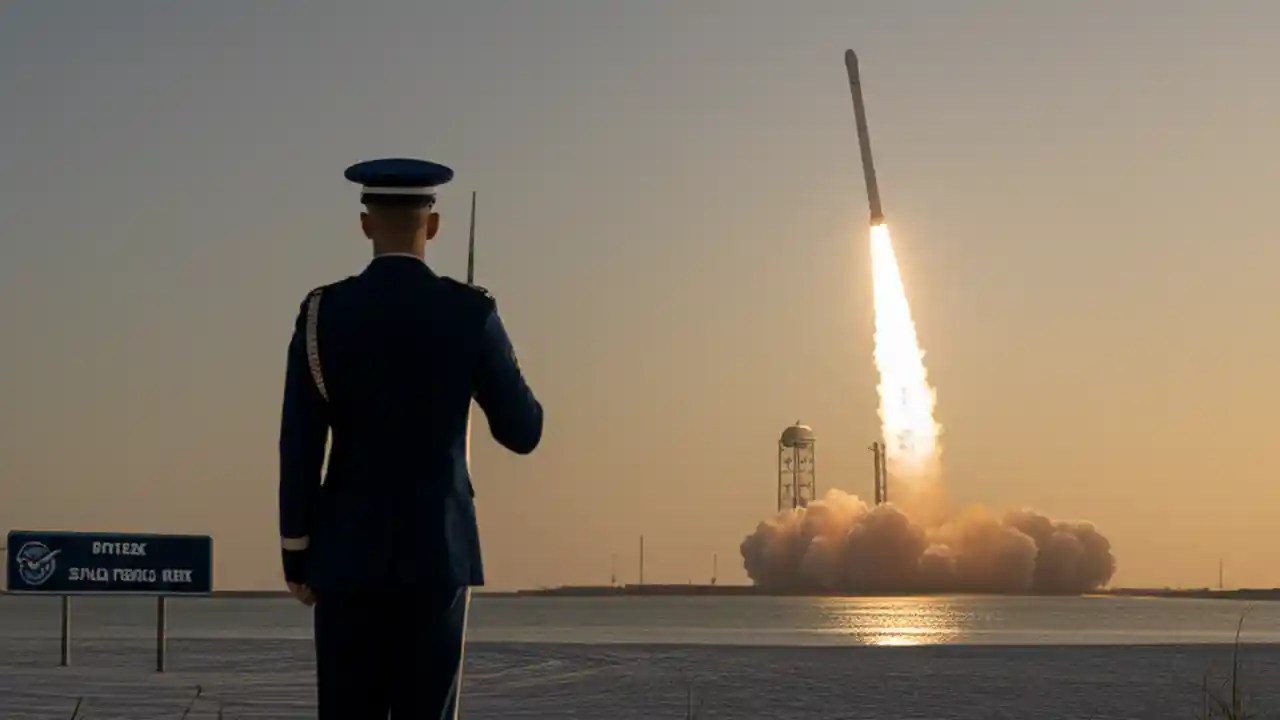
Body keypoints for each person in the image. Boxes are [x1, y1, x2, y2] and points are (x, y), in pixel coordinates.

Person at [277, 157, 543, 718]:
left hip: (345, 555)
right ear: (434, 224)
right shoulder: (469, 312)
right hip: (437, 552)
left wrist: (297, 555)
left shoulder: (323, 313)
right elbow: (523, 431)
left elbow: (299, 444)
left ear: (366, 223)